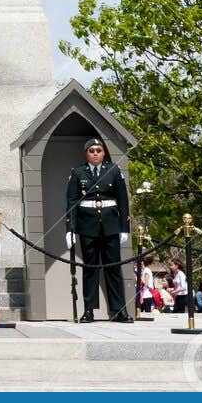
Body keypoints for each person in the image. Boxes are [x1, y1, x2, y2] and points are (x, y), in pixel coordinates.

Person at [65, 134, 133, 323]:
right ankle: (89, 310)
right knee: (90, 269)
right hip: (88, 226)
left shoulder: (113, 170)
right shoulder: (78, 173)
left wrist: (124, 227)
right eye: (91, 151)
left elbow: (123, 200)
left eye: (99, 150)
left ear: (103, 153)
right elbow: (71, 202)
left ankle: (120, 310)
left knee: (113, 268)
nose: (95, 153)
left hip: (110, 225)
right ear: (86, 154)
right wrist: (70, 228)